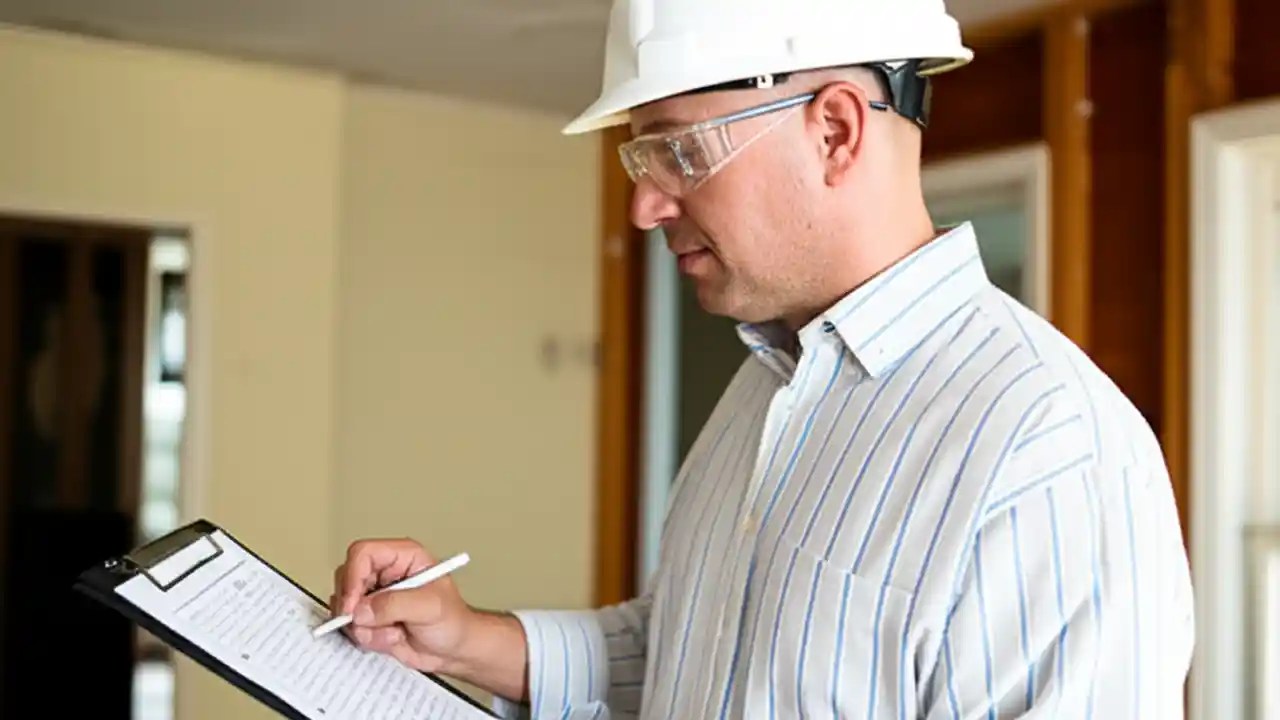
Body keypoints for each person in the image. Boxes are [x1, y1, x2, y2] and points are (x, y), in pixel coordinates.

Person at [330, 0, 1195, 717]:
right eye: (642, 154)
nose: (643, 206)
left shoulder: (1046, 452)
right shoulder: (766, 384)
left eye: (676, 150)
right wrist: (468, 639)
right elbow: (697, 655)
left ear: (834, 132)